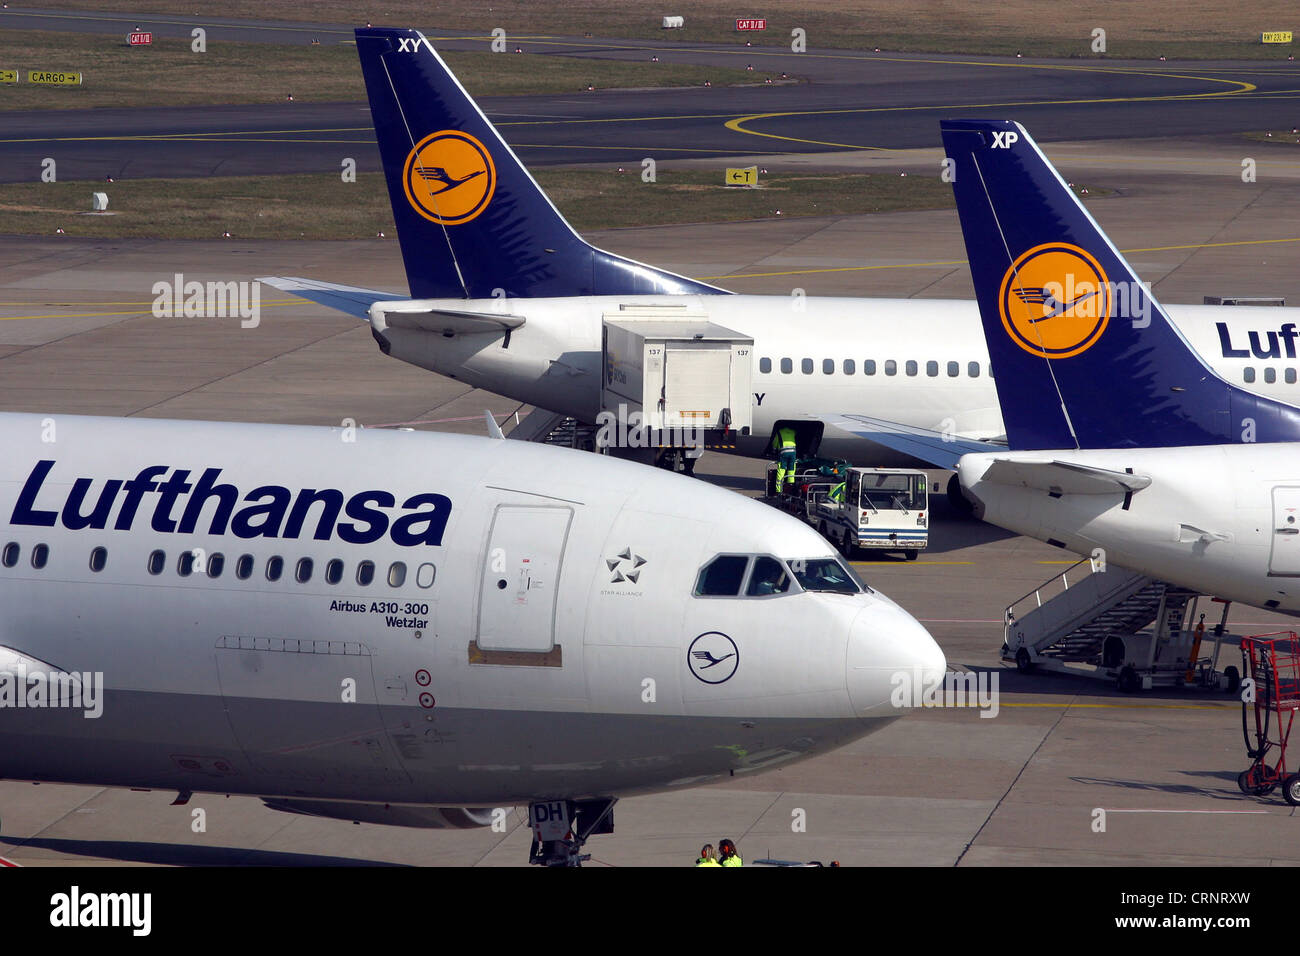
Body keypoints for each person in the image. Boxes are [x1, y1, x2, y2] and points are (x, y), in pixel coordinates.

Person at [770, 426, 797, 494]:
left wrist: (774, 449)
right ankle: (790, 488)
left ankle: (779, 490)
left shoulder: (779, 432)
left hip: (783, 452)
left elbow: (775, 442)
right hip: (793, 452)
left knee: (781, 471)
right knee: (791, 470)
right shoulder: (792, 431)